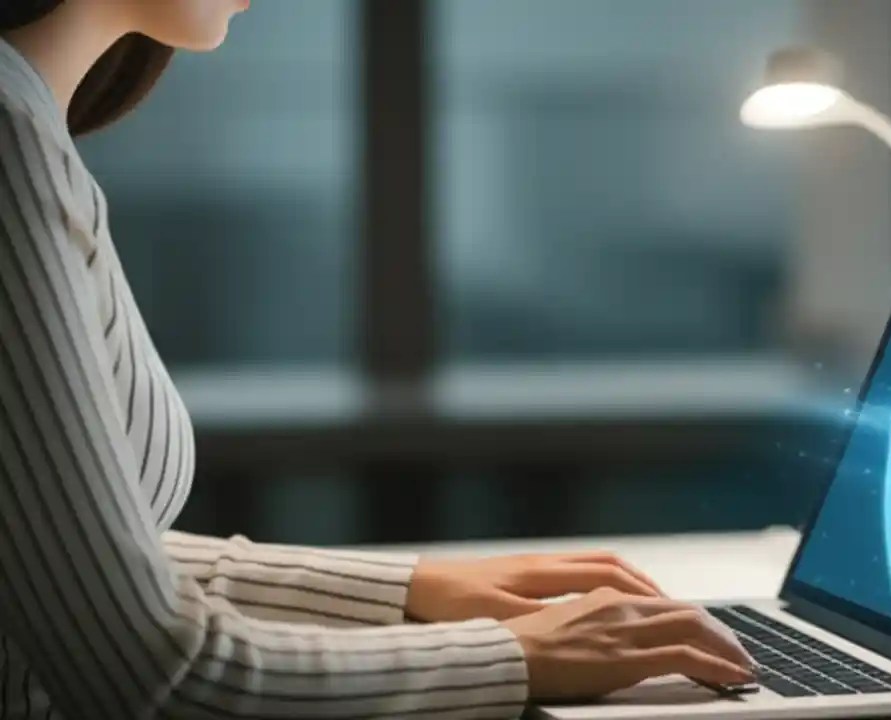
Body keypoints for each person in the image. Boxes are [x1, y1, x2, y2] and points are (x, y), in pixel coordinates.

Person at [0, 1, 755, 717]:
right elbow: (153, 675)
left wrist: (409, 588)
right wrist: (520, 653)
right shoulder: (11, 144)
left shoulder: (30, 129)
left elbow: (66, 566)